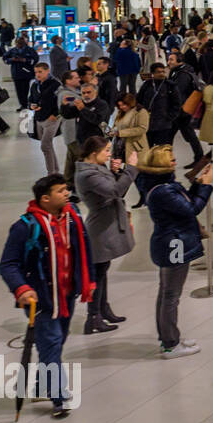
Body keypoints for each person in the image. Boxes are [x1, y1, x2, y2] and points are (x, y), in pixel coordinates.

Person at [0, 174, 96, 417]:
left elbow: (85, 249)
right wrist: (22, 288)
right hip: (40, 298)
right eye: (60, 191)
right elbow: (8, 264)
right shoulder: (25, 227)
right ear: (45, 198)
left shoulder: (72, 218)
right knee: (51, 342)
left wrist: (89, 280)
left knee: (57, 340)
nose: (66, 193)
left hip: (67, 293)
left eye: (66, 189)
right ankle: (58, 398)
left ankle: (43, 385)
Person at [145, 151, 213, 358]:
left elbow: (183, 204)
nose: (175, 161)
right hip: (174, 245)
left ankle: (168, 337)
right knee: (170, 295)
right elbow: (192, 208)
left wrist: (197, 184)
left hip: (170, 241)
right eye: (171, 159)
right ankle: (170, 344)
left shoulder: (164, 186)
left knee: (166, 292)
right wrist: (206, 186)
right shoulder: (163, 191)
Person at [75, 135, 139, 333]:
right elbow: (115, 191)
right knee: (98, 273)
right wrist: (130, 168)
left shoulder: (96, 168)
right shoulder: (88, 174)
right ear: (94, 154)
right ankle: (93, 317)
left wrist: (116, 171)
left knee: (103, 269)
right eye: (106, 151)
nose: (110, 154)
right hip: (99, 229)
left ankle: (103, 309)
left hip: (106, 222)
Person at [28, 63, 63, 173]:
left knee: (45, 146)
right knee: (48, 146)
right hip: (39, 118)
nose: (37, 74)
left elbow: (63, 101)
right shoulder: (34, 85)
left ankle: (51, 173)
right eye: (36, 72)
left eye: (40, 72)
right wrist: (31, 105)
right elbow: (30, 99)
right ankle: (55, 171)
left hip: (51, 119)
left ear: (47, 71)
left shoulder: (56, 84)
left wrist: (56, 115)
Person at [4, 36, 37, 109]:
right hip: (16, 73)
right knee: (19, 90)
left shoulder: (30, 50)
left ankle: (25, 104)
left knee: (25, 89)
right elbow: (5, 58)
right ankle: (22, 105)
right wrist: (12, 59)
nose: (19, 44)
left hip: (26, 73)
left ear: (25, 43)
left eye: (21, 42)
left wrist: (25, 60)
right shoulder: (12, 50)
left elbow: (35, 59)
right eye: (18, 42)